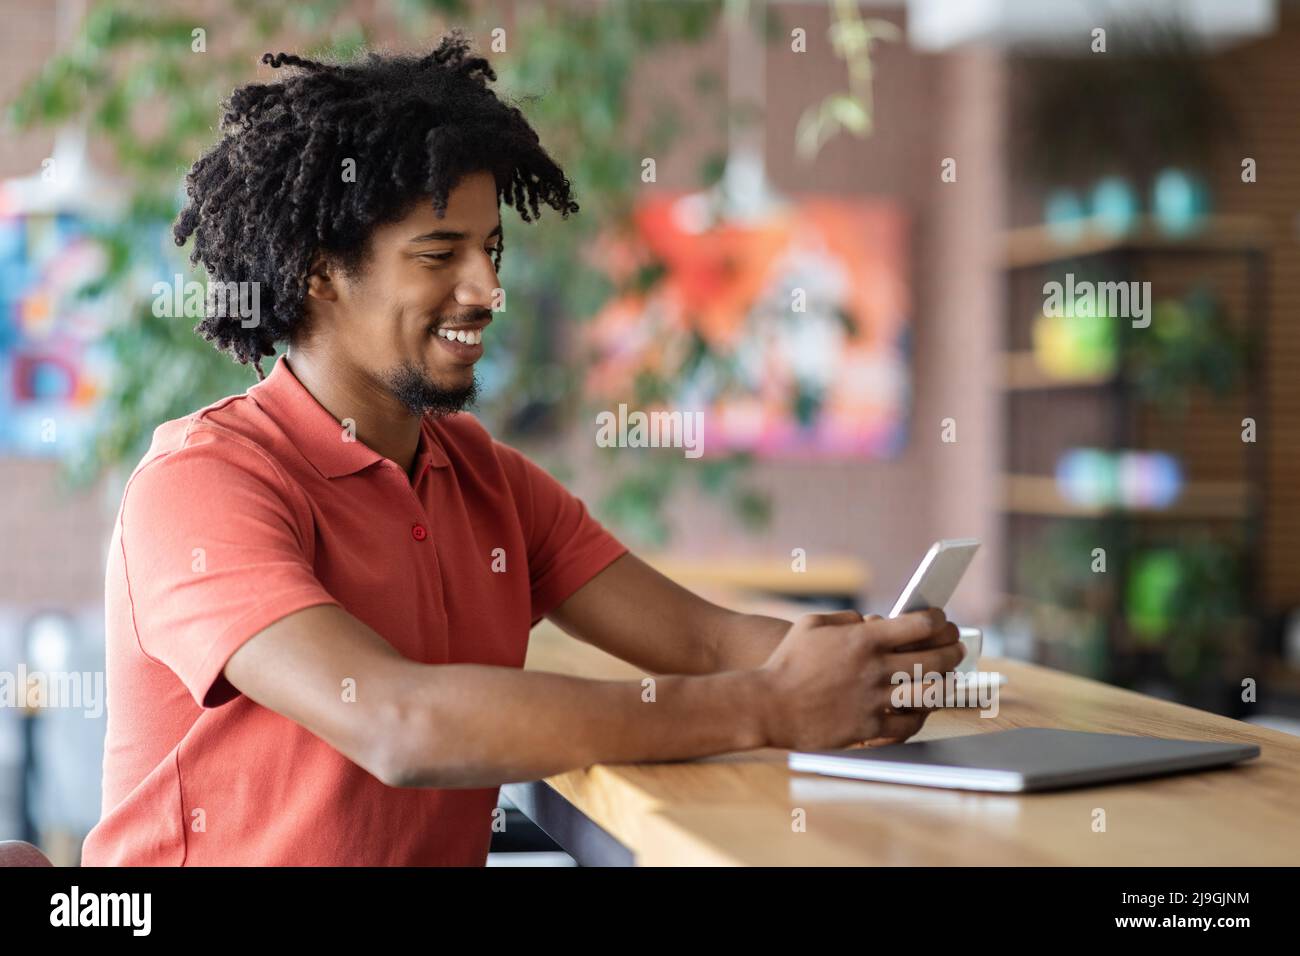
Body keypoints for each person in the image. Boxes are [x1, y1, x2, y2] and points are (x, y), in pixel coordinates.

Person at [82, 33, 962, 866]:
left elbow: (702, 641)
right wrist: (769, 706)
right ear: (318, 270)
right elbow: (397, 723)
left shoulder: (481, 478)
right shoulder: (203, 484)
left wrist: (868, 669)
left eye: (492, 250)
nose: (488, 289)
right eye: (441, 254)